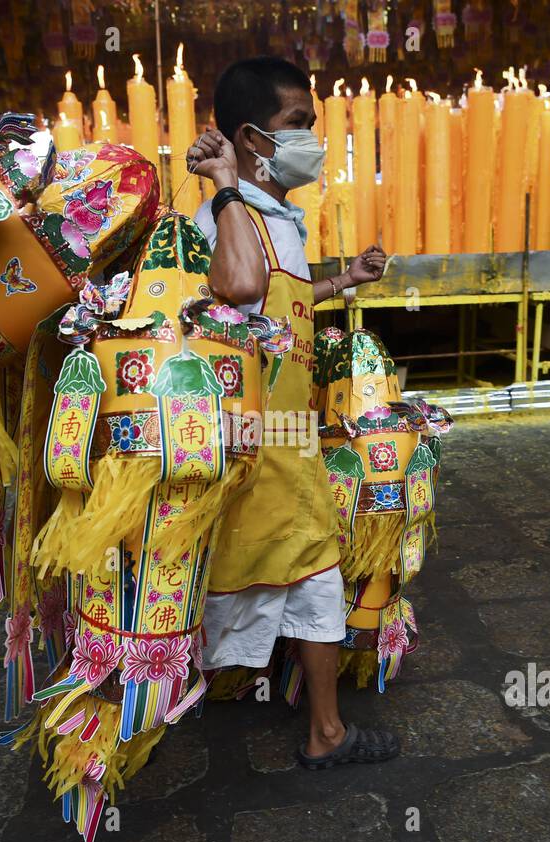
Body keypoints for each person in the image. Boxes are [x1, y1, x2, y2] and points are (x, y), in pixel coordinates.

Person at [187, 56, 396, 768]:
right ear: (253, 138)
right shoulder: (227, 215)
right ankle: (323, 731)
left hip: (289, 436)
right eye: (297, 124)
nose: (314, 137)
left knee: (306, 572)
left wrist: (343, 281)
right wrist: (223, 194)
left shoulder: (277, 218)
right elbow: (243, 291)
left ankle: (319, 726)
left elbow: (284, 306)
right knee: (297, 570)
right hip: (255, 441)